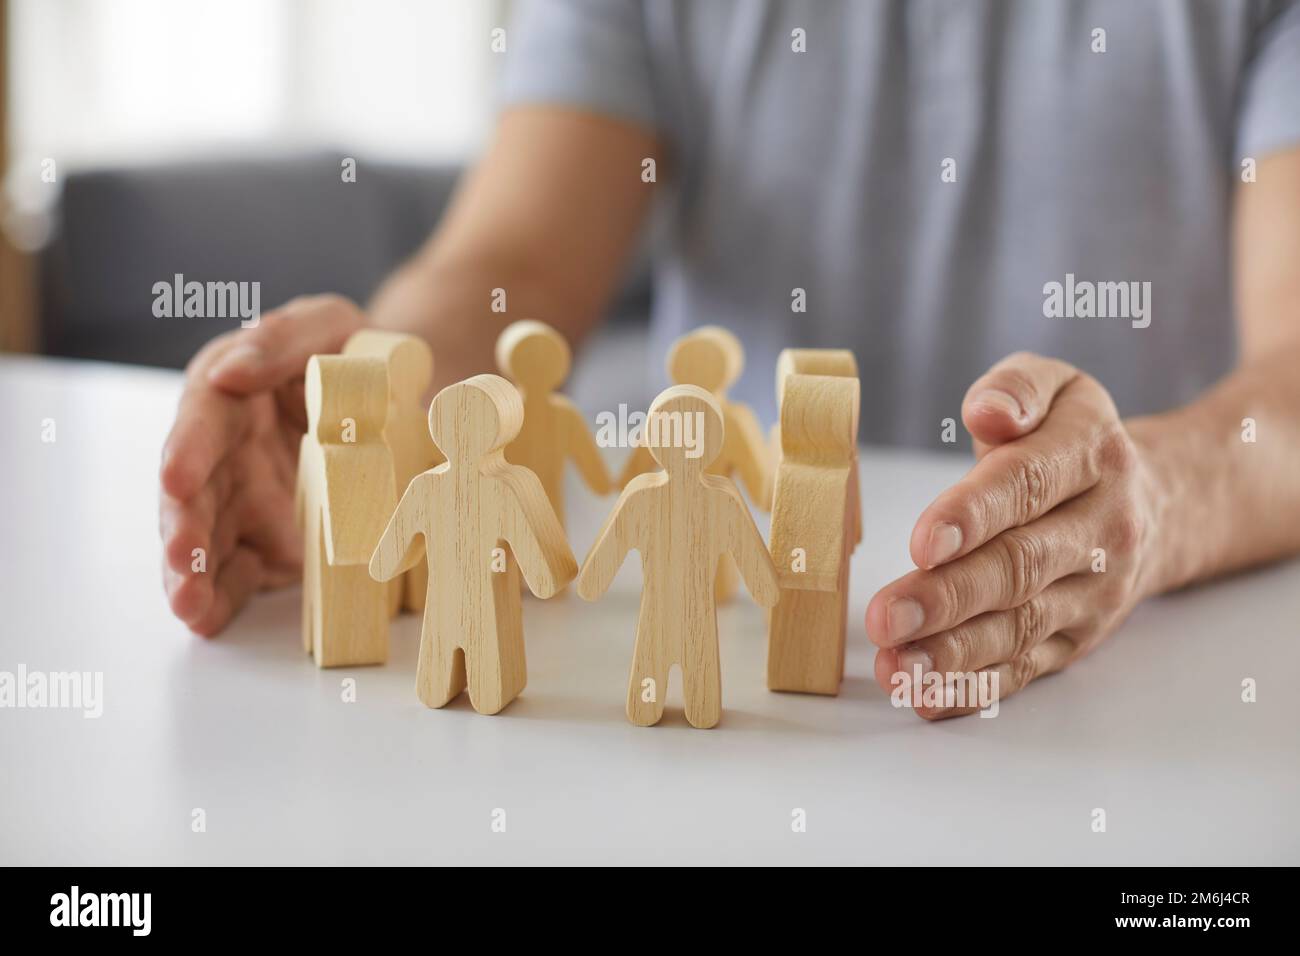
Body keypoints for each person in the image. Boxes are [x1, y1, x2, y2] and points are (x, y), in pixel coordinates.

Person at [159, 0, 1300, 718]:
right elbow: (510, 269)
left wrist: (1153, 495)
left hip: (1150, 678)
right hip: (755, 688)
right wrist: (377, 384)